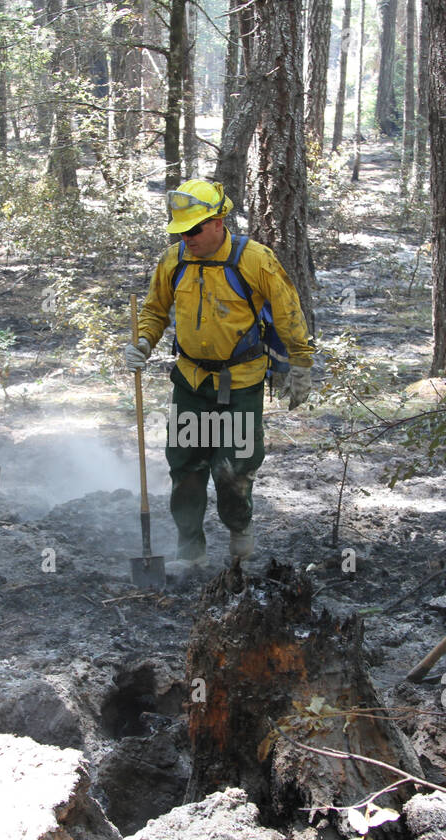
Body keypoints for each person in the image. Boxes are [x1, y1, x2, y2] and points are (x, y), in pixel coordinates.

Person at [123, 179, 314, 573]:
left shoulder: (256, 260)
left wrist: (301, 364)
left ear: (219, 221)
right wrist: (143, 342)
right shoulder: (173, 261)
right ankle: (190, 551)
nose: (186, 237)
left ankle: (239, 531)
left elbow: (288, 312)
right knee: (187, 468)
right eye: (180, 230)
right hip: (191, 382)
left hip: (240, 383)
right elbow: (156, 310)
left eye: (194, 229)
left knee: (233, 468)